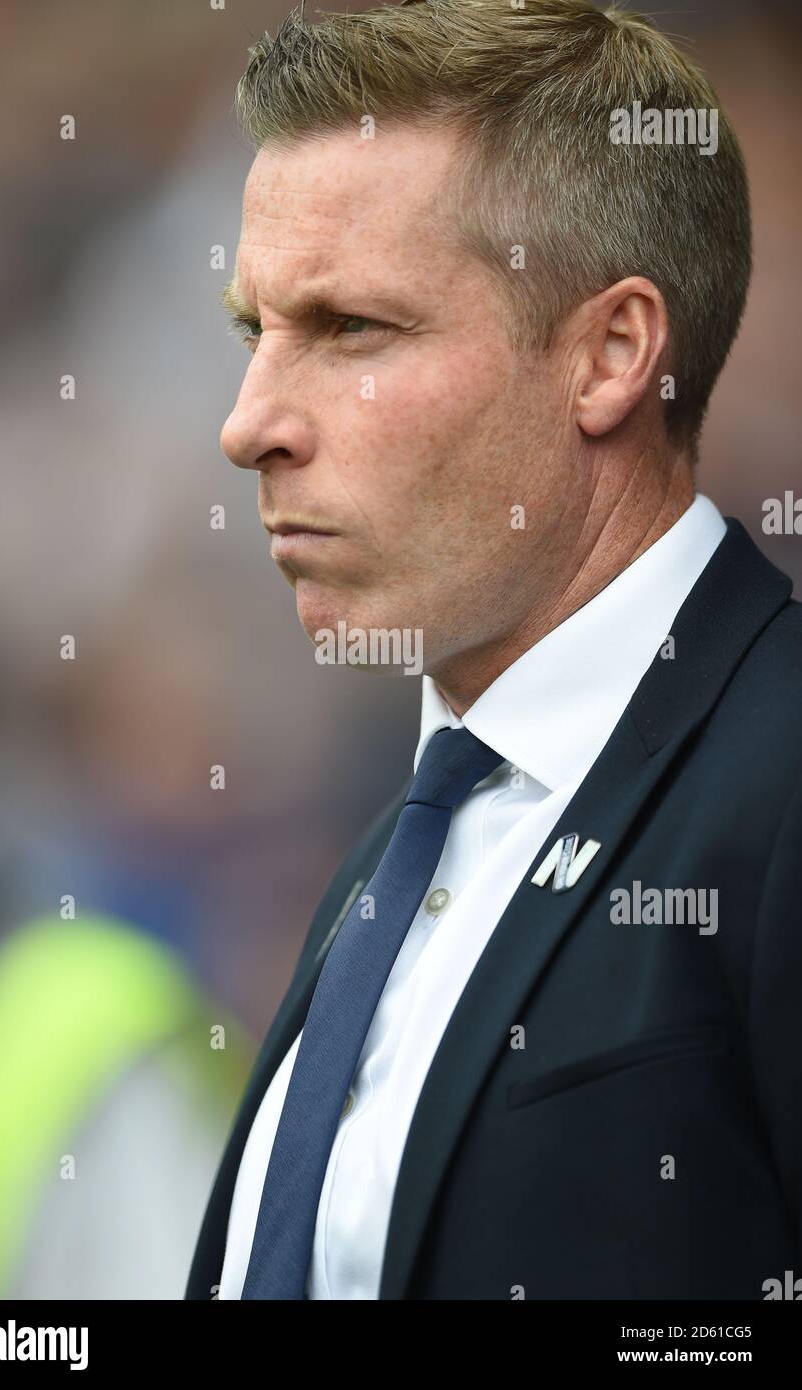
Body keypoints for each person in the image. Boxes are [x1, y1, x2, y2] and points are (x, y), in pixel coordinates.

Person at [187, 0, 802, 1300]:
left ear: (612, 352)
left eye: (350, 327)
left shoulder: (778, 784)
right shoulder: (411, 833)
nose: (248, 427)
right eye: (256, 331)